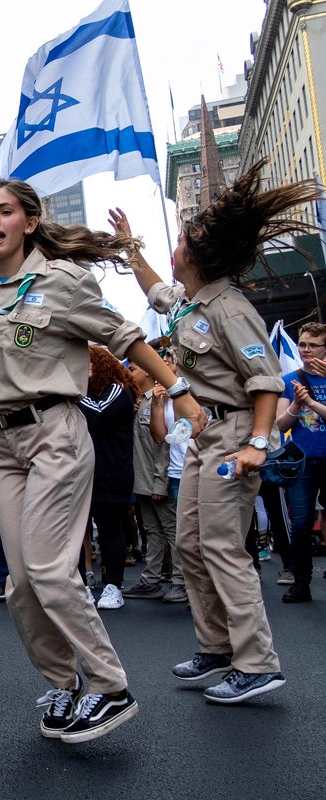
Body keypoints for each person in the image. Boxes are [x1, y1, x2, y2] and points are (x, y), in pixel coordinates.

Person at [0, 181, 205, 741]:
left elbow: (124, 335)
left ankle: (111, 687)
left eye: (4, 212)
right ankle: (64, 682)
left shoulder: (61, 281)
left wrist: (177, 388)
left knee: (48, 569)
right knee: (19, 585)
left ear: (29, 222)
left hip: (54, 434)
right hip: (5, 446)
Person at [112, 162, 320, 704]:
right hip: (203, 438)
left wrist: (257, 445)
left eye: (178, 242)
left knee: (225, 547)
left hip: (232, 437)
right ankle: (218, 647)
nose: (174, 249)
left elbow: (266, 378)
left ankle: (257, 663)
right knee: (191, 543)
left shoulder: (231, 308)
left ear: (197, 257)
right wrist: (131, 251)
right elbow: (157, 292)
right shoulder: (192, 304)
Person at [77, 346, 139, 611]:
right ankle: (81, 585)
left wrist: (70, 394)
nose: (85, 367)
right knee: (76, 533)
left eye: (91, 363)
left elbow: (97, 415)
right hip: (80, 473)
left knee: (110, 529)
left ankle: (113, 585)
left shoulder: (118, 391)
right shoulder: (81, 394)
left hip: (111, 472)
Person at [122, 351, 186, 603]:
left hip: (158, 479)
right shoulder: (139, 402)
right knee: (152, 530)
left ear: (148, 371)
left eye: (134, 368)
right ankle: (151, 579)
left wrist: (161, 480)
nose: (129, 373)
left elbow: (164, 446)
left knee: (173, 531)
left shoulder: (162, 401)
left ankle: (180, 581)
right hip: (142, 479)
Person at [275, 322, 326, 603]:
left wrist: (312, 403)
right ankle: (301, 582)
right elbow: (280, 425)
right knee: (302, 525)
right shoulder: (289, 379)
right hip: (303, 463)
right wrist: (296, 404)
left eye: (313, 345)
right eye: (302, 344)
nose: (306, 349)